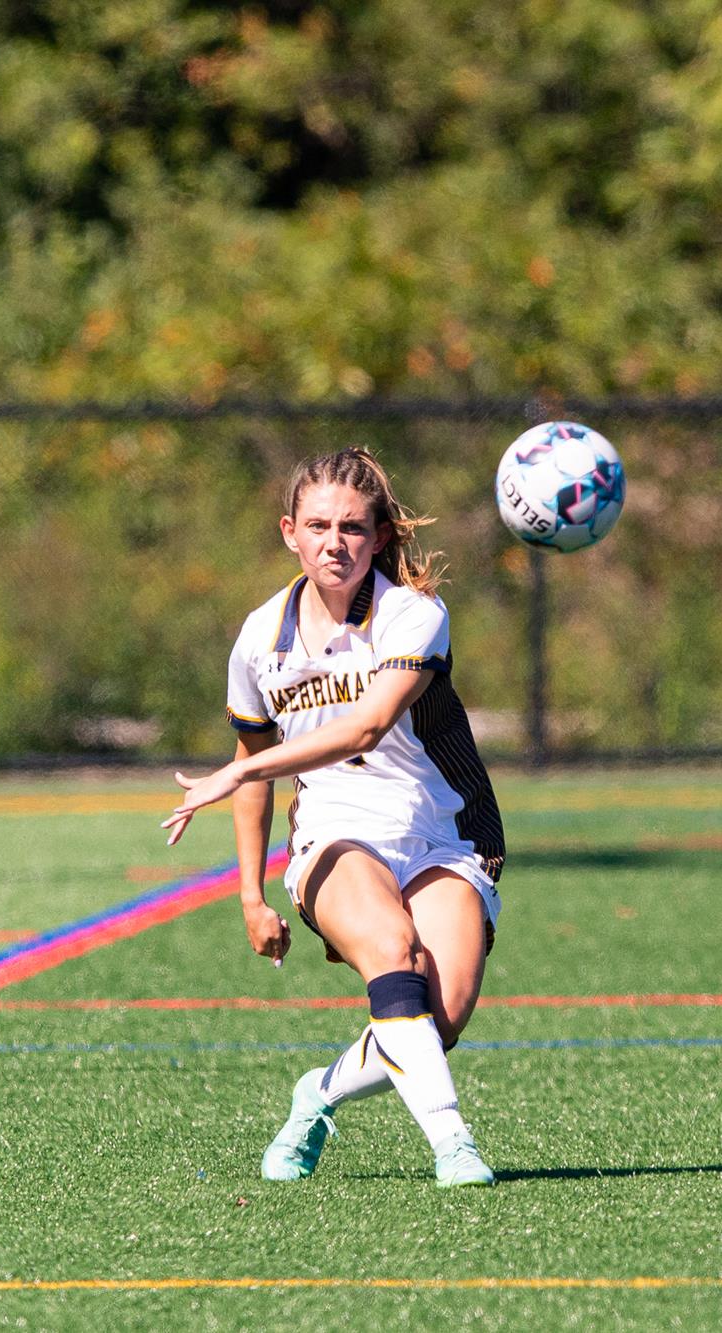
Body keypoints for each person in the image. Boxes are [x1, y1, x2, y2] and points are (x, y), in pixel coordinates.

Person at [163, 446, 506, 1187]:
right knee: (391, 950)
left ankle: (317, 1093)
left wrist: (243, 766)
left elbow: (364, 729)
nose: (334, 542)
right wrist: (251, 895)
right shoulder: (261, 638)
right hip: (333, 835)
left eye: (353, 527)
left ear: (379, 537)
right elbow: (256, 776)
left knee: (431, 1022)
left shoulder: (414, 614)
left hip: (446, 832)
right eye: (317, 525)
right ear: (290, 531)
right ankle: (455, 1144)